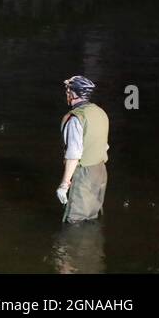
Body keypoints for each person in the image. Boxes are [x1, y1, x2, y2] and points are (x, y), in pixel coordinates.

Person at [57, 75, 109, 222]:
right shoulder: (100, 112)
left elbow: (73, 154)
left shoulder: (76, 118)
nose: (66, 94)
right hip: (100, 172)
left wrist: (64, 185)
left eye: (68, 91)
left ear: (73, 94)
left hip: (83, 175)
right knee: (92, 216)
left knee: (75, 220)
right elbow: (104, 145)